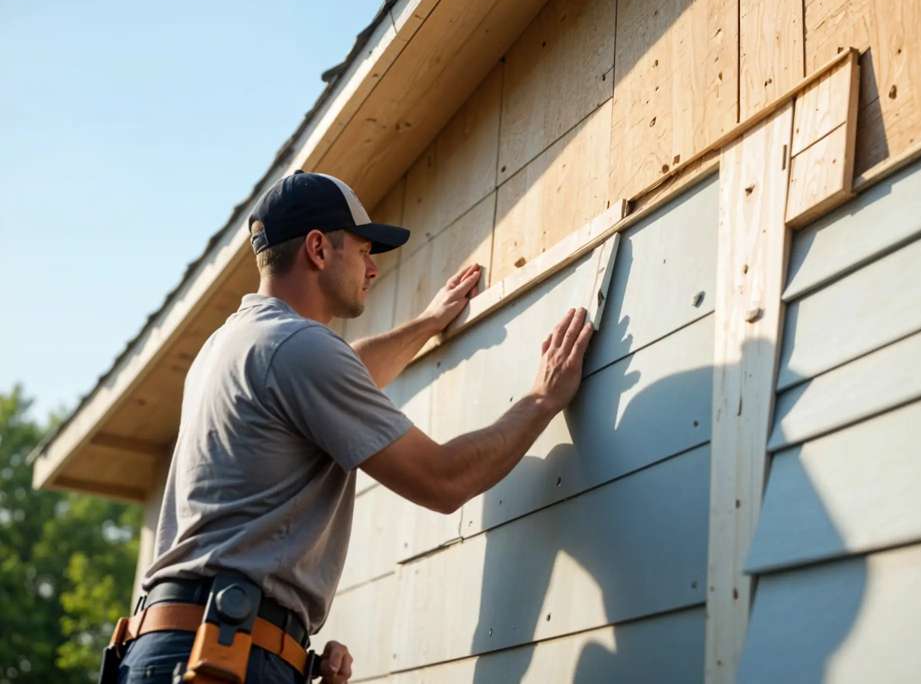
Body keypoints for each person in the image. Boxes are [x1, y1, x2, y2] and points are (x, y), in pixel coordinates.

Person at [111, 171, 594, 683]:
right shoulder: (297, 349)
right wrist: (542, 399)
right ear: (318, 248)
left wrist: (429, 324)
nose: (373, 270)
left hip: (183, 647)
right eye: (364, 252)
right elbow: (443, 479)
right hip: (223, 656)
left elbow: (347, 372)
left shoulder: (233, 345)